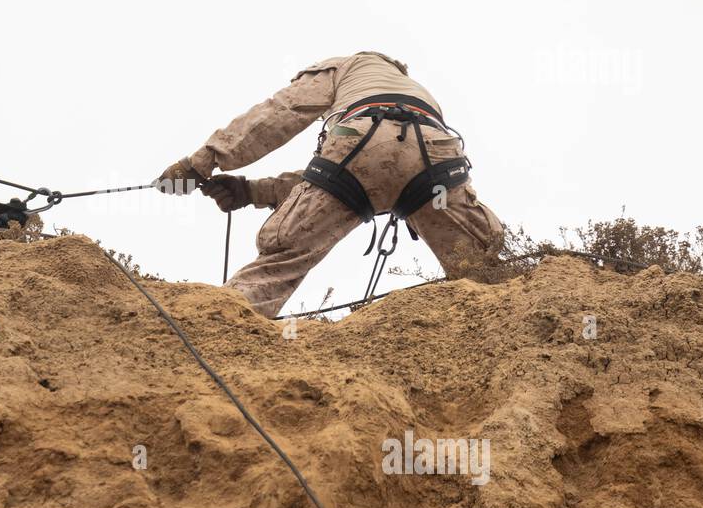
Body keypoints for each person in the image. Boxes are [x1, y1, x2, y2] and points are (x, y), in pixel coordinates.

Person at [156, 51, 504, 316]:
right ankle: (512, 322)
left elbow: (283, 115)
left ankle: (222, 323)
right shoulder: (418, 91)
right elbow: (389, 159)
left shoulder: (343, 67)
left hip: (358, 142)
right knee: (481, 268)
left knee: (281, 260)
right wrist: (251, 191)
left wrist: (200, 163)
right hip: (434, 157)